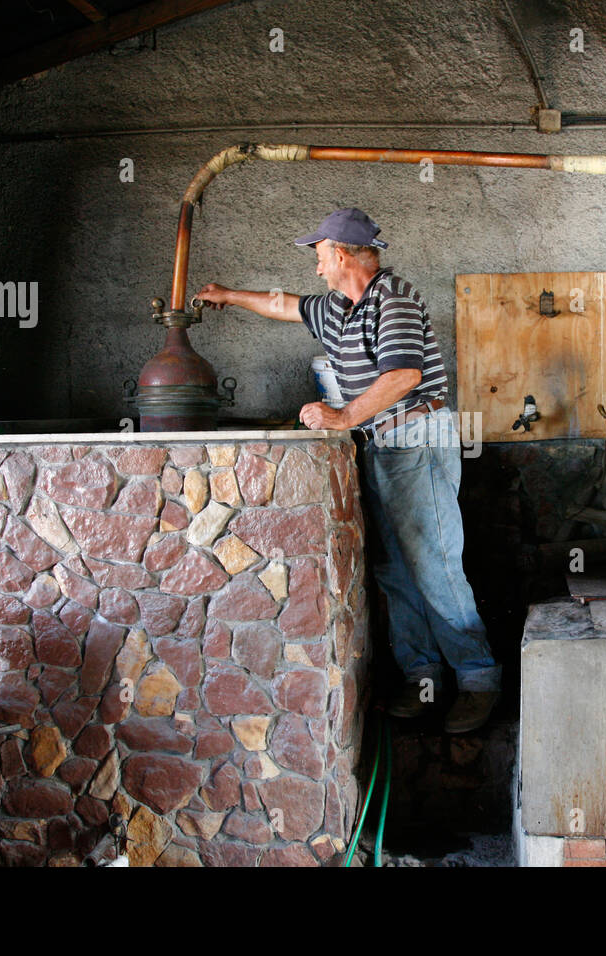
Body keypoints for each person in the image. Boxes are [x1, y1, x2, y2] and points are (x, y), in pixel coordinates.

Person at [195, 207, 501, 733]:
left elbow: (403, 374)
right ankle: (423, 678)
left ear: (340, 254)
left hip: (416, 438)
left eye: (318, 256)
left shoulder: (393, 298)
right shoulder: (339, 306)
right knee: (393, 570)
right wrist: (227, 295)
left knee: (434, 565)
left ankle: (477, 679)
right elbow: (283, 305)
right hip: (380, 442)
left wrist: (342, 415)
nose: (315, 268)